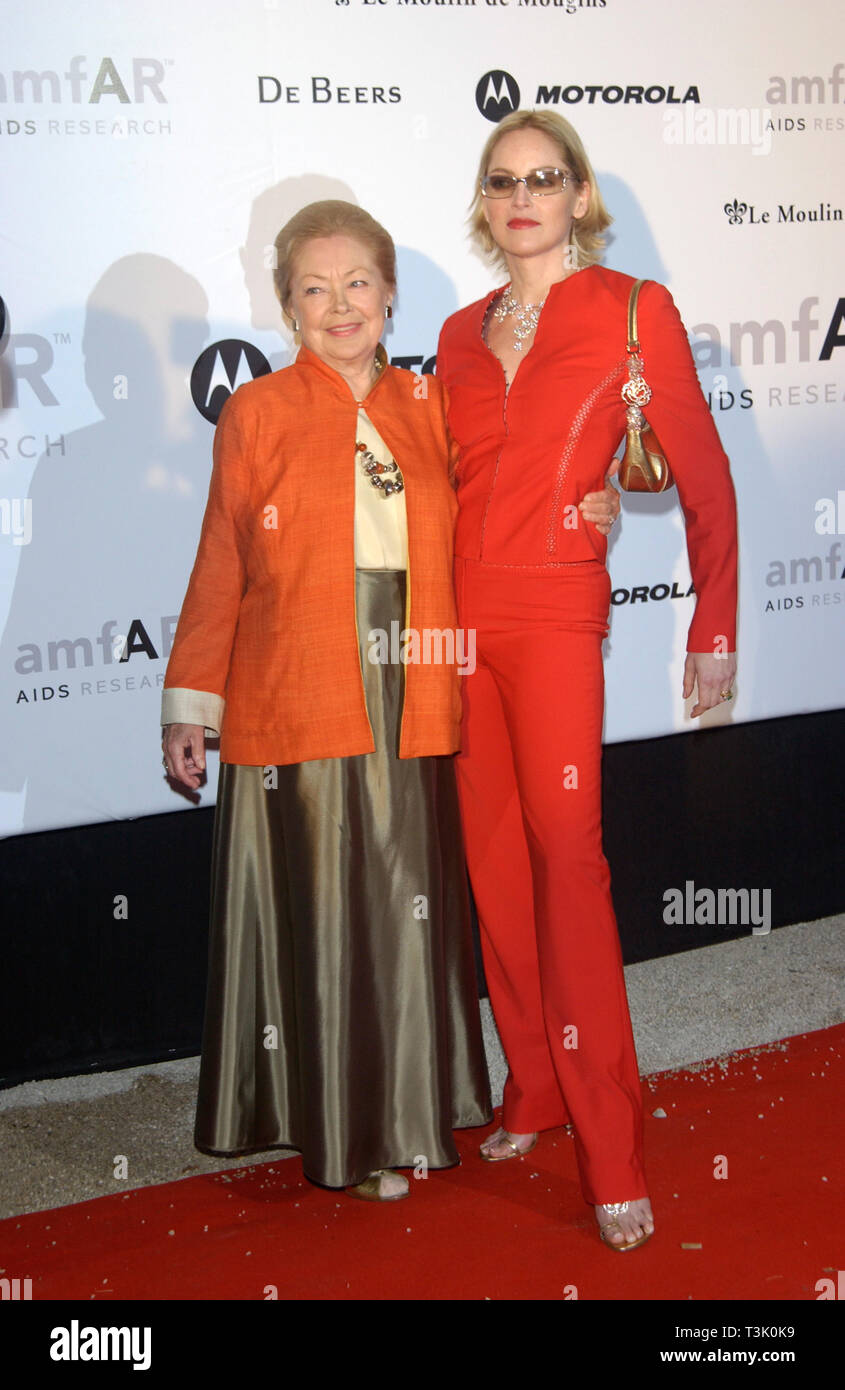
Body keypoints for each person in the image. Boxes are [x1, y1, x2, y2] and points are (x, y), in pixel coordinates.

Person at [435, 110, 738, 1250]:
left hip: (557, 616)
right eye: (502, 180)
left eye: (543, 178)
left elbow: (700, 471)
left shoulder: (629, 311)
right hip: (461, 631)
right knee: (492, 868)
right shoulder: (458, 335)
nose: (522, 197)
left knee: (568, 859)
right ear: (484, 200)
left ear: (576, 195)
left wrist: (712, 620)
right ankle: (531, 1089)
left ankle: (610, 1148)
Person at [160, 200, 503, 1202]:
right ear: (284, 307)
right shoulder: (257, 412)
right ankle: (345, 1140)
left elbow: (497, 508)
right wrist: (191, 703)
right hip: (294, 691)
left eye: (357, 281)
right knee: (331, 918)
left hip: (412, 683)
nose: (339, 304)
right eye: (313, 288)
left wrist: (594, 492)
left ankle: (410, 1114)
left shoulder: (430, 406)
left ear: (390, 292)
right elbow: (221, 561)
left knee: (406, 908)